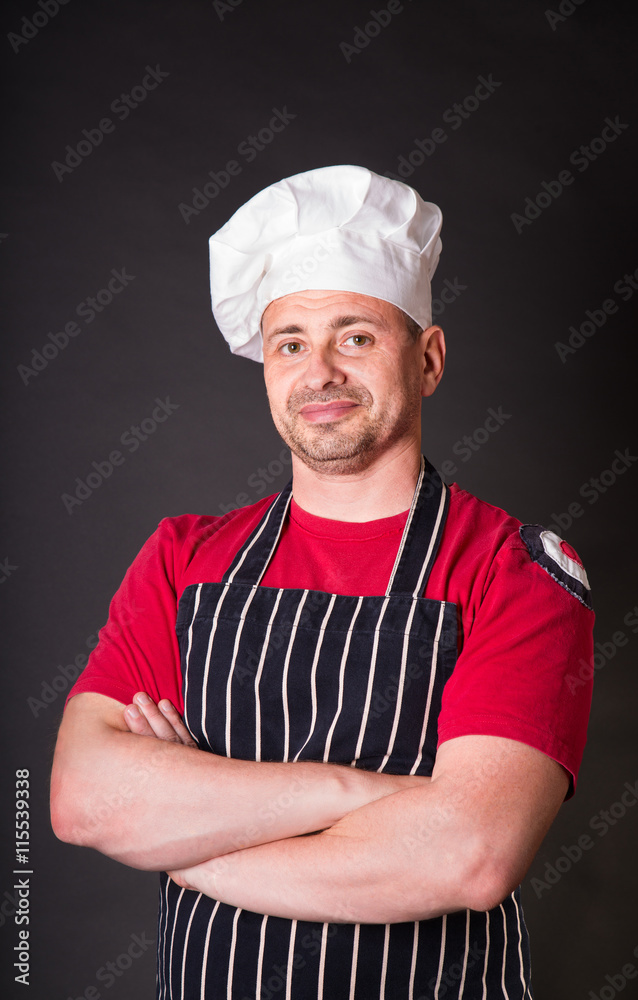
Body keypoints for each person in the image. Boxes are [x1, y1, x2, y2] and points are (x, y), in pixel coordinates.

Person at [50, 164, 594, 1000]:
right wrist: (363, 795)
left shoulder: (514, 568)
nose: (320, 375)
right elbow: (84, 801)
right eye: (290, 344)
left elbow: (468, 856)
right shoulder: (182, 558)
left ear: (429, 359)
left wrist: (190, 840)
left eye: (356, 336)